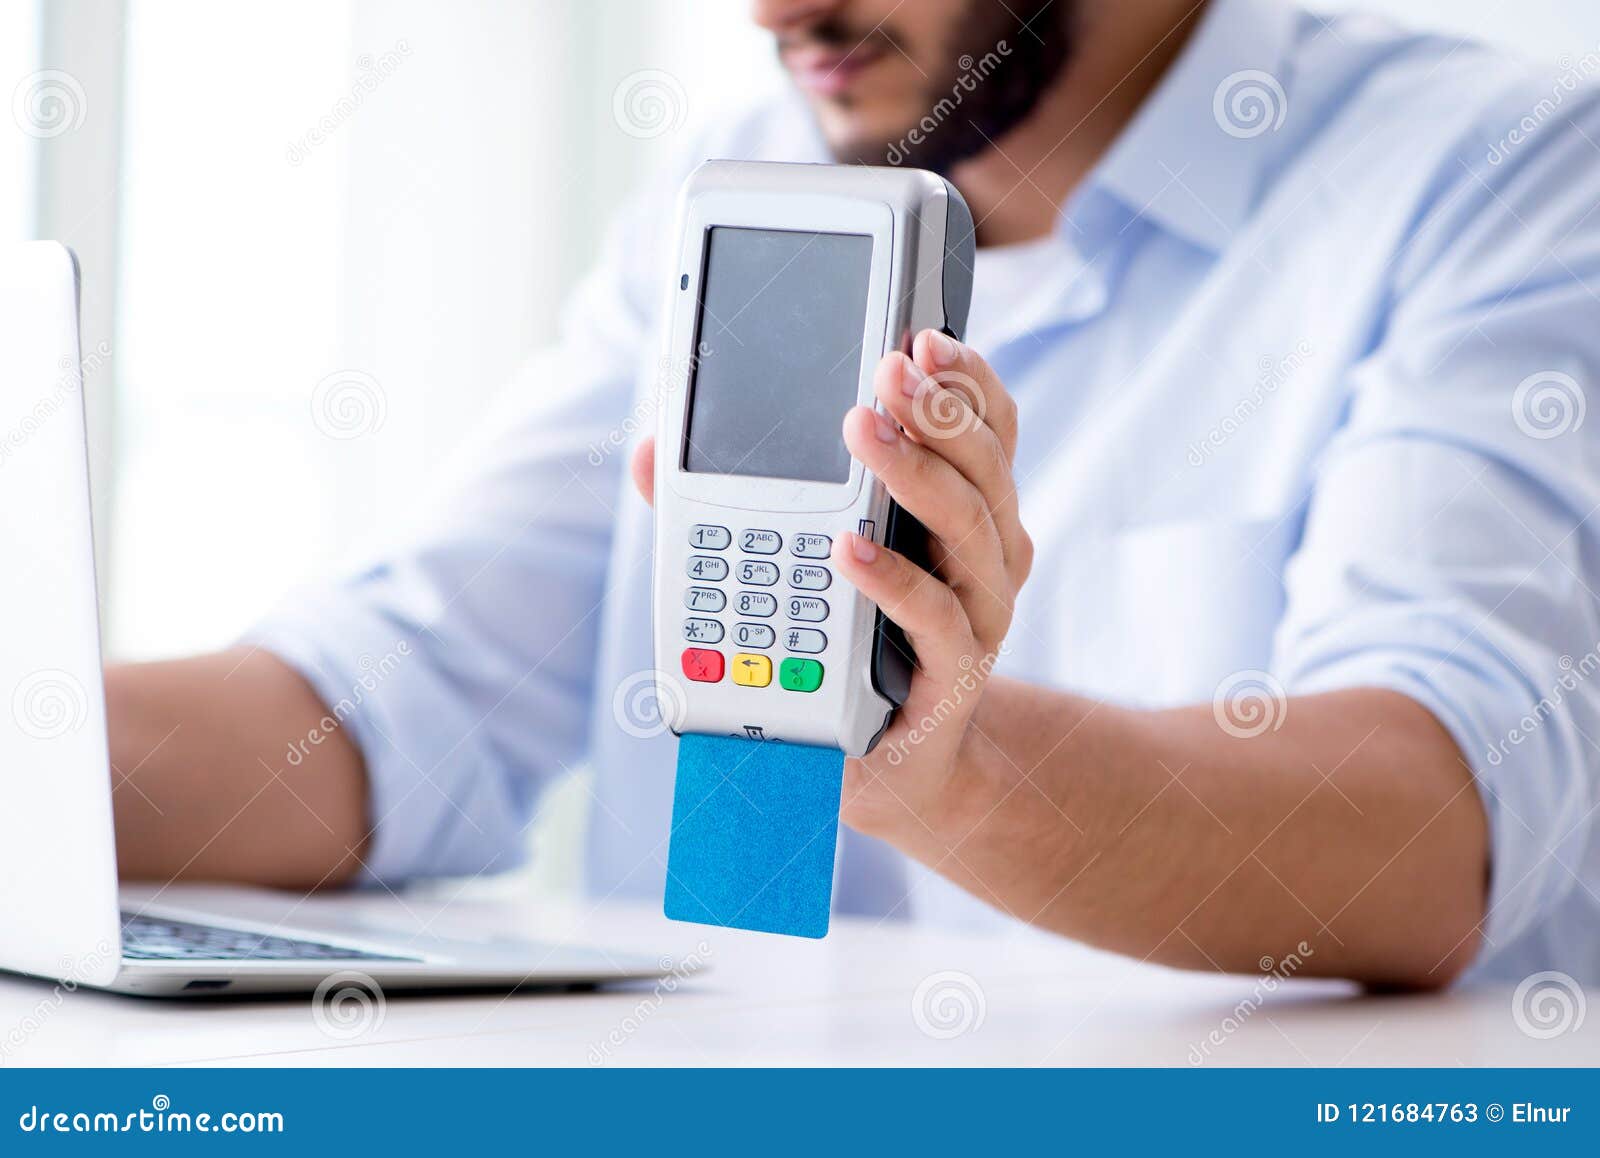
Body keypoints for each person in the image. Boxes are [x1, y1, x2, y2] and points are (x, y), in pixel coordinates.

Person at [107, 0, 1600, 989]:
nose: (771, 11)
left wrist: (944, 767)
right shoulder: (738, 179)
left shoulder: (1498, 171)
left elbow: (1435, 824)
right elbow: (399, 695)